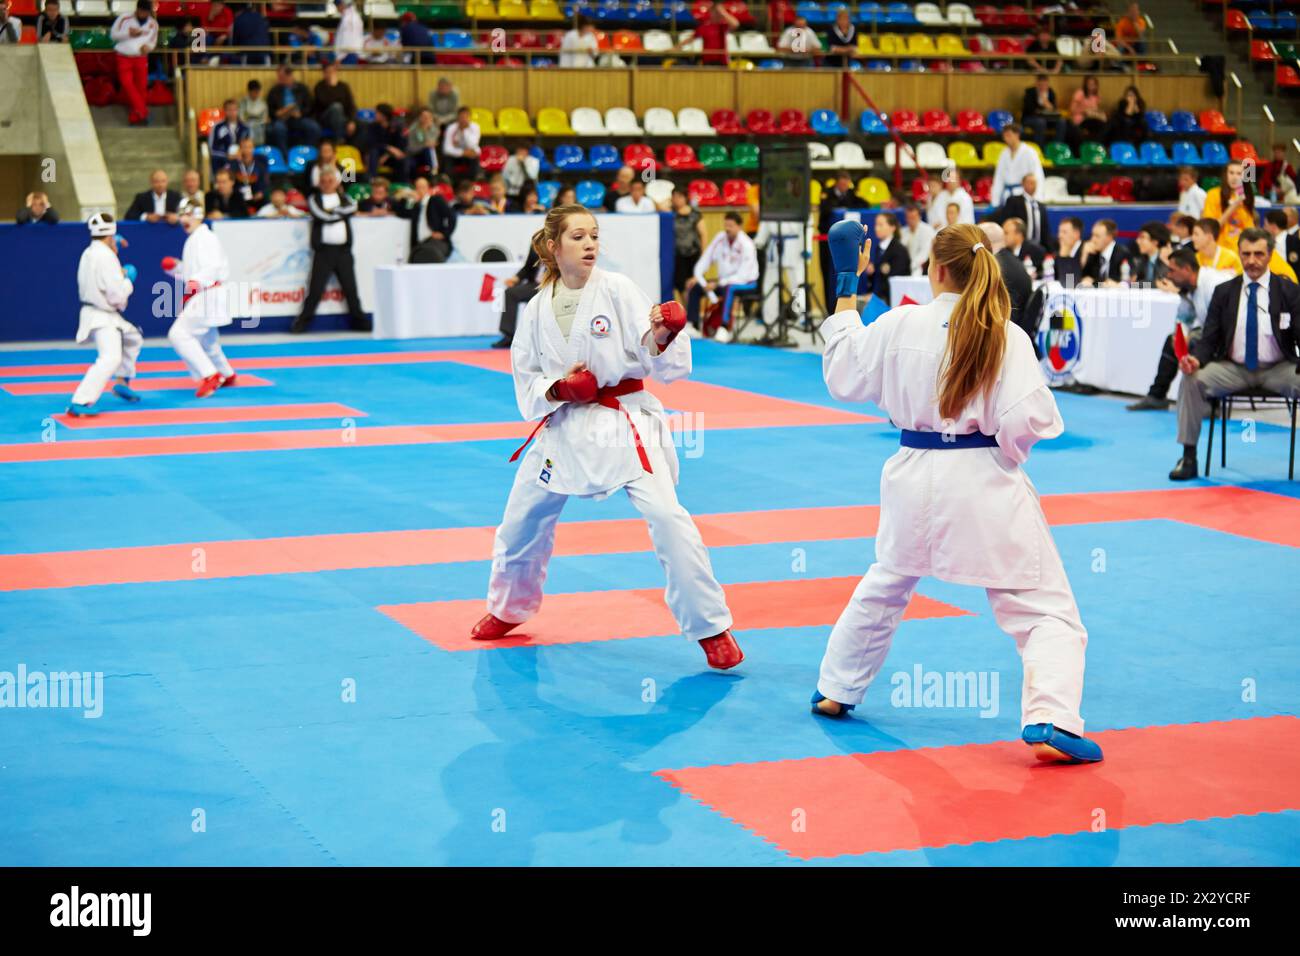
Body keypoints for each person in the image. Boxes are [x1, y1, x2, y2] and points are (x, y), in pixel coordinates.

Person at [811, 219, 1102, 766]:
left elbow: (843, 376)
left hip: (911, 473)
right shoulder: (1004, 333)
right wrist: (1005, 456)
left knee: (886, 584)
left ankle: (836, 689)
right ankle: (1051, 716)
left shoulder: (899, 324)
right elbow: (1030, 420)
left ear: (936, 270)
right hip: (980, 478)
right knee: (1045, 610)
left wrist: (846, 288)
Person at [470, 204, 745, 672]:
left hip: (624, 421)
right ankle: (508, 607)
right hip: (564, 425)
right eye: (578, 237)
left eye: (594, 235)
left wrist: (664, 333)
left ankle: (711, 628)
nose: (591, 244)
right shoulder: (535, 308)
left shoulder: (617, 289)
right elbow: (526, 376)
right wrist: (557, 388)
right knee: (520, 521)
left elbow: (659, 359)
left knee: (667, 516)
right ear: (554, 248)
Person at [1168, 228, 1300, 480]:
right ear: (1239, 254)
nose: (1252, 260)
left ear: (1270, 255)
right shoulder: (1225, 292)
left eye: (1259, 254)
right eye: (1246, 254)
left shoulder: (1289, 291)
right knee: (1192, 380)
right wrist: (1197, 359)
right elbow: (1210, 338)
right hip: (1233, 368)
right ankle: (1188, 456)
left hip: (1278, 368)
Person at [1127, 247, 1233, 411]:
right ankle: (1157, 395)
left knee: (1197, 344)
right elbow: (1183, 318)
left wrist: (1194, 338)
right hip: (1210, 334)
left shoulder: (1214, 285)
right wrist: (1181, 336)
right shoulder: (1187, 288)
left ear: (1187, 269)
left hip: (1230, 336)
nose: (1168, 275)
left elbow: (1227, 325)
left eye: (1172, 270)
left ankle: (1211, 403)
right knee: (1173, 341)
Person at [67, 213, 143, 418]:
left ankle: (121, 381)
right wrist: (128, 279)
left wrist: (113, 245)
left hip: (99, 311)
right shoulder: (107, 257)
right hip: (101, 314)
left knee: (133, 337)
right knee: (110, 357)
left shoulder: (90, 252)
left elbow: (103, 260)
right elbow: (116, 294)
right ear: (110, 236)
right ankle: (80, 401)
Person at [162, 200, 238, 398]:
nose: (183, 220)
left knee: (178, 334)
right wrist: (176, 268)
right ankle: (226, 373)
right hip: (206, 292)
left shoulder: (205, 238)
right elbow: (194, 270)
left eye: (188, 215)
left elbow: (211, 268)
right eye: (182, 216)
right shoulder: (196, 238)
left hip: (207, 294)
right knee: (208, 341)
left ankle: (210, 375)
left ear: (199, 215)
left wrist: (194, 282)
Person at [296, 166, 369, 332]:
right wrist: (339, 213)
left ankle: (362, 324)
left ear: (336, 182)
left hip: (343, 251)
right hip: (324, 252)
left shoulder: (344, 197)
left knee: (351, 289)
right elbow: (323, 216)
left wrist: (334, 211)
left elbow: (353, 207)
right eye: (324, 181)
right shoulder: (314, 198)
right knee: (315, 290)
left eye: (330, 181)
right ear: (319, 183)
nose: (327, 184)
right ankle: (301, 324)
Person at [685, 211, 759, 342]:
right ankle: (693, 325)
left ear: (739, 226)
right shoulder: (720, 238)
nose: (727, 229)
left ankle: (724, 327)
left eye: (731, 226)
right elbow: (705, 260)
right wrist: (699, 277)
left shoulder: (747, 244)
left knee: (729, 288)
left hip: (747, 283)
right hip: (723, 282)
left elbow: (743, 275)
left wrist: (717, 283)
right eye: (726, 225)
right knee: (695, 286)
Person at [980, 220, 1034, 342]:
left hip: (1003, 334)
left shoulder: (994, 267)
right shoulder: (1013, 261)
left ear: (983, 241)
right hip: (1015, 329)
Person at [110, 1, 157, 127]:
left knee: (141, 88)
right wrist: (128, 34)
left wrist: (148, 47)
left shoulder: (153, 23)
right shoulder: (124, 18)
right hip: (123, 57)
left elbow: (153, 42)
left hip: (141, 58)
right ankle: (144, 111)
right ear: (137, 10)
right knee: (127, 84)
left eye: (146, 12)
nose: (143, 14)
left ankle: (135, 117)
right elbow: (113, 35)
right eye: (141, 11)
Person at [493, 243, 543, 349]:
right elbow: (527, 267)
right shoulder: (536, 241)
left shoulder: (561, 242)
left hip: (552, 284)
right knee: (510, 293)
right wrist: (516, 278)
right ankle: (508, 335)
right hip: (534, 284)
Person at [398, 176, 456, 263]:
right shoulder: (415, 205)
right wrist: (407, 198)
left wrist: (444, 233)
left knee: (429, 255)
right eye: (417, 187)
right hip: (419, 244)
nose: (420, 190)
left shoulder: (436, 200)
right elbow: (402, 212)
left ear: (428, 188)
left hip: (434, 241)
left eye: (422, 187)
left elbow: (451, 216)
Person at [1202, 160, 1257, 252]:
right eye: (1231, 173)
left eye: (1239, 174)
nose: (1234, 177)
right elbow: (1211, 229)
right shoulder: (1213, 194)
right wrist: (1233, 207)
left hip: (1242, 246)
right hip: (1221, 247)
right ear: (1225, 175)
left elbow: (1250, 229)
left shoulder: (1244, 197)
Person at [266, 65, 320, 155]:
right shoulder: (274, 90)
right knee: (278, 129)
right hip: (281, 119)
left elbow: (310, 106)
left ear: (289, 75)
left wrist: (300, 113)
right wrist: (278, 113)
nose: (279, 79)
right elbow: (270, 110)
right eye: (278, 77)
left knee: (314, 127)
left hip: (299, 118)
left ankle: (308, 155)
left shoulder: (302, 88)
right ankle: (285, 157)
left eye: (281, 77)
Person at [990, 124, 1044, 208]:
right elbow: (998, 178)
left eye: (1009, 135)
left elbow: (1038, 176)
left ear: (1017, 135)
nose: (1006, 139)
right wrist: (995, 201)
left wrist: (1037, 198)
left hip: (1024, 194)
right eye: (1004, 136)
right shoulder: (1004, 154)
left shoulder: (1029, 152)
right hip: (1007, 195)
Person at [863, 212, 910, 304]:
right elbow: (878, 276)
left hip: (893, 299)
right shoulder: (879, 247)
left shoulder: (899, 250)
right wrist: (872, 272)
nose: (877, 228)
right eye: (876, 224)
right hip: (879, 296)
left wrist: (875, 296)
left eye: (881, 225)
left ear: (892, 227)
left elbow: (895, 279)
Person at [670, 188, 706, 298]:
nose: (676, 200)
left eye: (679, 197)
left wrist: (703, 254)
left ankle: (693, 310)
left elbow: (703, 234)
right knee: (681, 286)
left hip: (693, 252)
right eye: (674, 197)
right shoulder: (670, 214)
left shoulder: (695, 214)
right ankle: (685, 311)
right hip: (678, 254)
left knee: (694, 284)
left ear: (685, 198)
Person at [1001, 172, 1050, 251]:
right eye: (1029, 182)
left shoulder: (1041, 206)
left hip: (1038, 248)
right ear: (1023, 184)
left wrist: (1048, 249)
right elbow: (1007, 222)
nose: (1032, 185)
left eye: (1034, 183)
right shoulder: (1013, 201)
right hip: (1019, 247)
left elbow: (1045, 230)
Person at [313, 59, 358, 140]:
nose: (331, 74)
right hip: (325, 118)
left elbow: (351, 104)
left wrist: (351, 121)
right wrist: (332, 87)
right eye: (328, 71)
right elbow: (325, 103)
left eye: (333, 71)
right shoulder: (319, 86)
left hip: (341, 118)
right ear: (324, 73)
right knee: (336, 107)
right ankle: (339, 140)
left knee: (363, 124)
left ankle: (357, 149)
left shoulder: (343, 86)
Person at [1080, 218, 1132, 285]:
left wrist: (1094, 281)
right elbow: (1077, 278)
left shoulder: (1122, 254)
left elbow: (1118, 281)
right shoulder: (1092, 254)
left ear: (1109, 237)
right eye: (1092, 235)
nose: (1092, 239)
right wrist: (1084, 255)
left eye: (1097, 236)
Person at [208, 99, 249, 174]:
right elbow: (212, 149)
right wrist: (227, 155)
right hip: (222, 159)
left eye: (235, 109)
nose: (232, 112)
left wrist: (241, 153)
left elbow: (249, 145)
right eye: (229, 110)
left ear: (238, 110)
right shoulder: (217, 127)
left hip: (240, 158)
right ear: (224, 111)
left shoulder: (245, 127)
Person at [1021, 74, 1065, 144]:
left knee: (1061, 121)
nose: (1043, 87)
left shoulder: (1050, 92)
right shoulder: (1029, 92)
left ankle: (1057, 145)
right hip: (1030, 118)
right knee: (1040, 122)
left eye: (1045, 85)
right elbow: (1029, 109)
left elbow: (1054, 109)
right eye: (1040, 85)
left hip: (1047, 118)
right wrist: (1041, 105)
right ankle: (1040, 147)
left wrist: (1048, 104)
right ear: (1036, 84)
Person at [1068, 75, 1107, 150]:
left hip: (1092, 119)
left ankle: (1097, 148)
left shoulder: (1096, 95)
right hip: (1080, 120)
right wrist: (1084, 111)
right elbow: (1072, 110)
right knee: (1098, 125)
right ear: (1085, 84)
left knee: (1104, 124)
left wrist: (1100, 114)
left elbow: (1095, 109)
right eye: (1089, 84)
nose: (1091, 87)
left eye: (1093, 84)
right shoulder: (1080, 93)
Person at [442, 106, 481, 181]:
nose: (464, 119)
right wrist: (462, 153)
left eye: (466, 117)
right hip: (455, 156)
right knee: (447, 160)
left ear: (470, 117)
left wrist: (464, 131)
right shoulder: (451, 128)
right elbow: (446, 149)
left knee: (475, 158)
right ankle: (450, 183)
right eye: (462, 117)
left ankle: (471, 183)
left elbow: (473, 146)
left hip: (469, 155)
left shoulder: (475, 127)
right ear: (458, 118)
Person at [229, 137, 269, 208]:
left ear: (253, 148)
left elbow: (265, 179)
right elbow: (231, 182)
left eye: (250, 147)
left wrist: (261, 192)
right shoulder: (234, 164)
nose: (247, 150)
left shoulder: (261, 161)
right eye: (244, 147)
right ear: (240, 149)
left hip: (257, 195)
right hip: (239, 197)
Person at [1261, 209, 1300, 282]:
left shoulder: (1296, 243)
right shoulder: (1264, 244)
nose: (1263, 228)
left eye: (1265, 225)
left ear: (1273, 227)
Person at [899, 202, 936, 276]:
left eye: (913, 217)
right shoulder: (903, 232)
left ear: (919, 216)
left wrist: (911, 265)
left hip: (922, 267)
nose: (911, 220)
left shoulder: (927, 230)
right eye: (908, 217)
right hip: (905, 267)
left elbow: (925, 253)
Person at [1131, 220, 1171, 284]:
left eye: (1142, 237)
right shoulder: (1142, 260)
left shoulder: (1165, 259)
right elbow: (1134, 282)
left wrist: (1134, 284)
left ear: (1155, 241)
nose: (1137, 241)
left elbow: (1159, 284)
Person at [1054, 215, 1085, 286]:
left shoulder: (1086, 251)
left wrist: (1063, 257)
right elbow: (1057, 279)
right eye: (1059, 232)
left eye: (1064, 232)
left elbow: (1069, 283)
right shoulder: (1059, 250)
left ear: (1076, 234)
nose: (1059, 236)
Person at [239, 79, 268, 146]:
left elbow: (265, 118)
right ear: (249, 91)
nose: (256, 94)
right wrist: (248, 123)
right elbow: (241, 117)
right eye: (254, 92)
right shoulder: (244, 102)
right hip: (246, 124)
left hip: (259, 125)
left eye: (257, 92)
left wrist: (257, 123)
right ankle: (248, 146)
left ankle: (259, 146)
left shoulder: (262, 103)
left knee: (259, 129)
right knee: (249, 128)